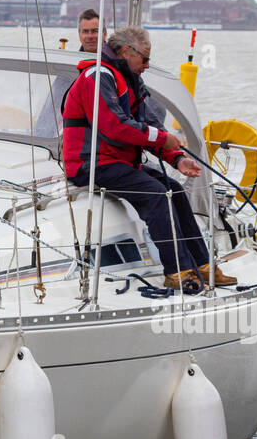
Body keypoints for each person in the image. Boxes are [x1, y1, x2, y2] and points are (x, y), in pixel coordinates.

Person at [62, 23, 235, 289]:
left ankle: (203, 265)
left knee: (175, 190)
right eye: (145, 58)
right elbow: (116, 127)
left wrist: (176, 159)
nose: (147, 64)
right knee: (156, 195)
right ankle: (177, 272)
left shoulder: (128, 79)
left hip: (115, 162)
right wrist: (162, 139)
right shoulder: (97, 77)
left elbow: (147, 126)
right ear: (126, 52)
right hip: (90, 164)